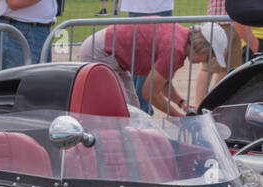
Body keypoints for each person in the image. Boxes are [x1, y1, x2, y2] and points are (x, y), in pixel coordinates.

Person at [77, 21, 226, 116]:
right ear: (201, 46)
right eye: (210, 55)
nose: (206, 61)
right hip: (100, 53)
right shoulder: (175, 49)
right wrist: (179, 118)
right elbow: (149, 93)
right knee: (122, 111)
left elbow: (163, 83)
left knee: (133, 110)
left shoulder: (180, 39)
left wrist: (182, 103)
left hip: (108, 53)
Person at [120, 0, 174, 112]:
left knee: (138, 61)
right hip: (151, 8)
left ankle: (137, 108)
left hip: (145, 7)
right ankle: (141, 110)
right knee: (144, 62)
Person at [193, 0, 250, 106]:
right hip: (219, 22)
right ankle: (199, 105)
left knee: (228, 68)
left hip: (236, 21)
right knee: (209, 67)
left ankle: (214, 102)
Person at [0, 0, 57, 71]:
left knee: (36, 84)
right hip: (16, 29)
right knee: (16, 84)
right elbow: (15, 2)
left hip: (29, 28)